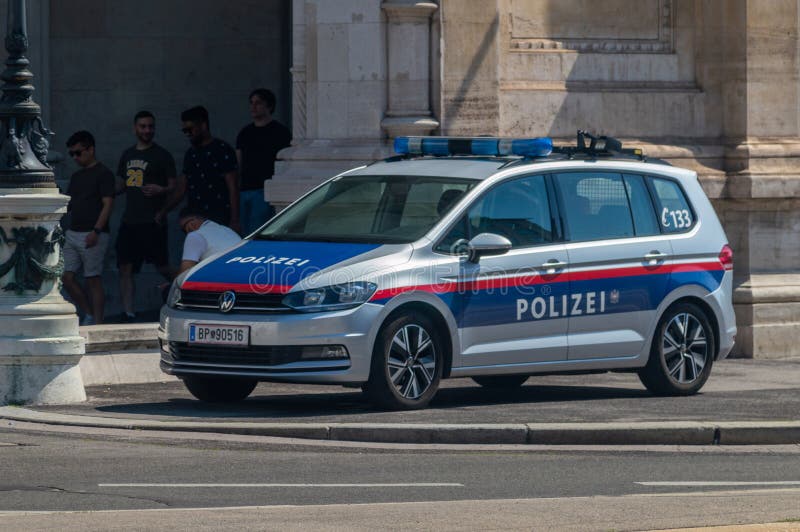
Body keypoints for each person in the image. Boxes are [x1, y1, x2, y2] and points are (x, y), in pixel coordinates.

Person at [115, 110, 177, 322]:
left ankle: (186, 287)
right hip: (129, 220)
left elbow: (174, 187)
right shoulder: (127, 154)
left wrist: (162, 191)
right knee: (125, 267)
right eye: (143, 126)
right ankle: (128, 313)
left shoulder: (162, 155)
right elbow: (121, 185)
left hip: (152, 221)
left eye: (150, 126)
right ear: (135, 128)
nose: (147, 130)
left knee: (162, 266)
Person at [61, 131, 115, 325]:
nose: (75, 157)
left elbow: (108, 204)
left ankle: (98, 324)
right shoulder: (76, 176)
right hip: (72, 232)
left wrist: (97, 231)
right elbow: (69, 205)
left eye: (78, 152)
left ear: (90, 149)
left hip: (93, 234)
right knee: (65, 277)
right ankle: (89, 314)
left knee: (93, 278)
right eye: (71, 154)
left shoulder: (104, 174)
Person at [164, 106, 240, 233]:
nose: (187, 134)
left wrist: (235, 220)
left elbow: (233, 187)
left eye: (190, 129)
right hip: (195, 218)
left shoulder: (222, 150)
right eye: (184, 131)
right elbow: (181, 188)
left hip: (219, 218)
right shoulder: (190, 154)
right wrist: (163, 211)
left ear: (203, 126)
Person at [236, 88, 292, 234]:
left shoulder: (280, 132)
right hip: (245, 190)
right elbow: (238, 163)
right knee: (244, 234)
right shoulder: (245, 133)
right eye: (251, 103)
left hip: (265, 190)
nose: (253, 107)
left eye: (258, 103)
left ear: (269, 106)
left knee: (257, 232)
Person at [176, 208, 241, 275]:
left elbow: (185, 273)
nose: (186, 232)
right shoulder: (227, 230)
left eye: (184, 228)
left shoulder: (195, 235)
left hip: (226, 276)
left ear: (192, 223)